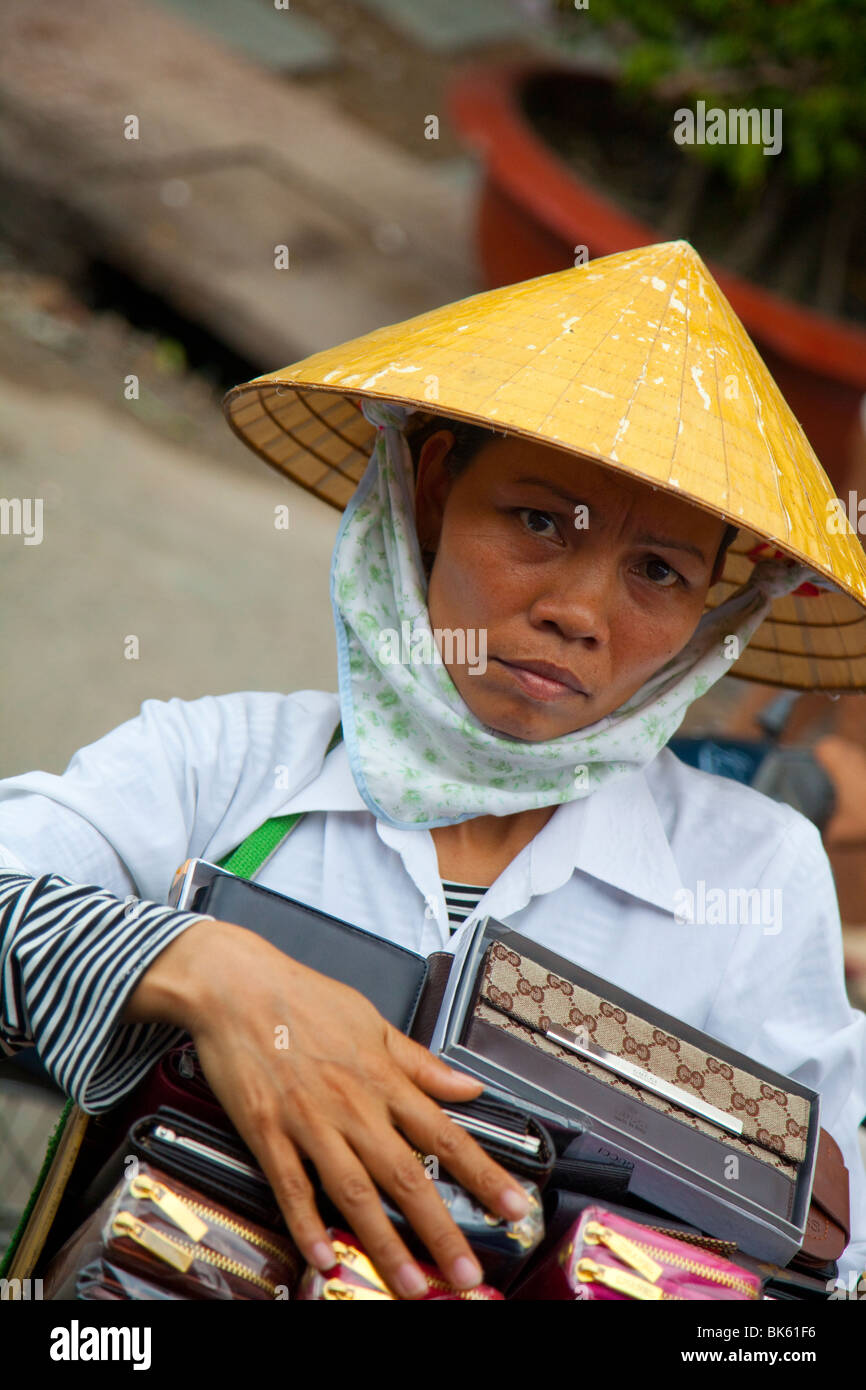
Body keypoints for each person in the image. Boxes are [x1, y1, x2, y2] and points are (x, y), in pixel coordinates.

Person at [2, 240, 866, 1298]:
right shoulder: (221, 766)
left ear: (714, 615)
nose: (578, 612)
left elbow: (832, 1246)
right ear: (430, 486)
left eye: (657, 571)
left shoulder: (754, 875)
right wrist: (216, 972)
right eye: (537, 521)